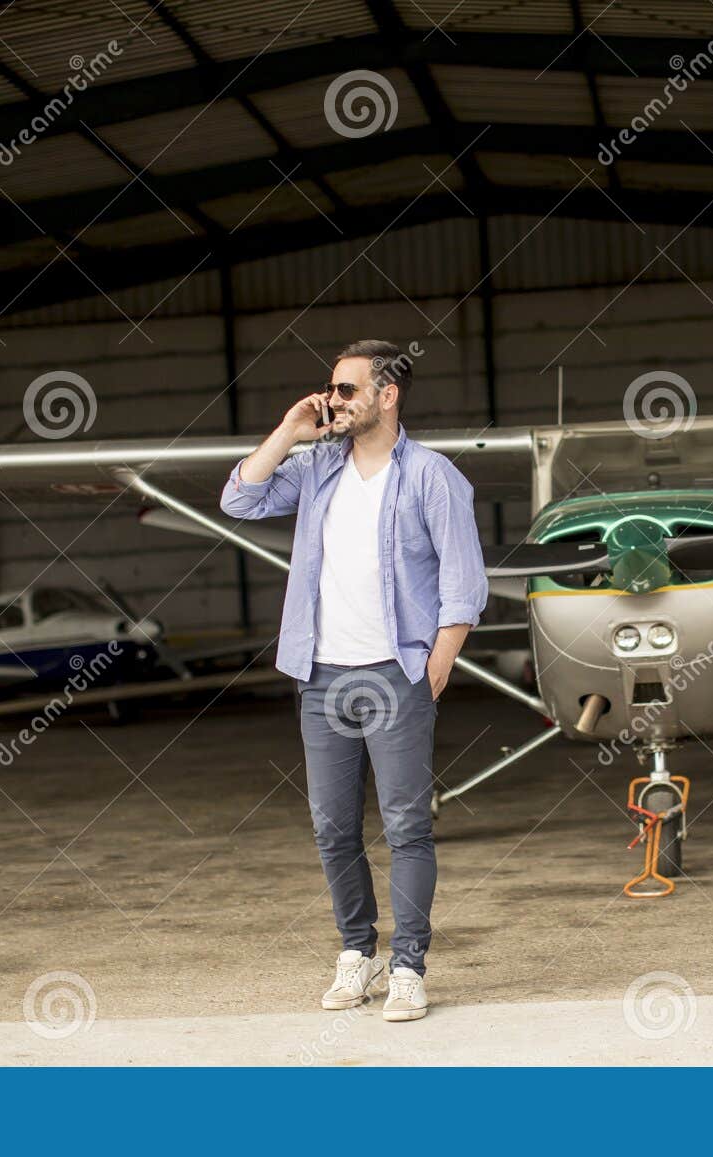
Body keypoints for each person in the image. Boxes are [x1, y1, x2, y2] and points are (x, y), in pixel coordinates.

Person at [219, 339, 488, 1021]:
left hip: (397, 673)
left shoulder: (432, 476)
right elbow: (239, 498)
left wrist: (441, 657)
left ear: (386, 393)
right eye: (330, 388)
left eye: (345, 389)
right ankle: (357, 949)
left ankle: (408, 966)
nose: (331, 399)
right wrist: (288, 429)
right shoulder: (315, 468)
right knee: (333, 827)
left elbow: (464, 580)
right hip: (322, 675)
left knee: (406, 827)